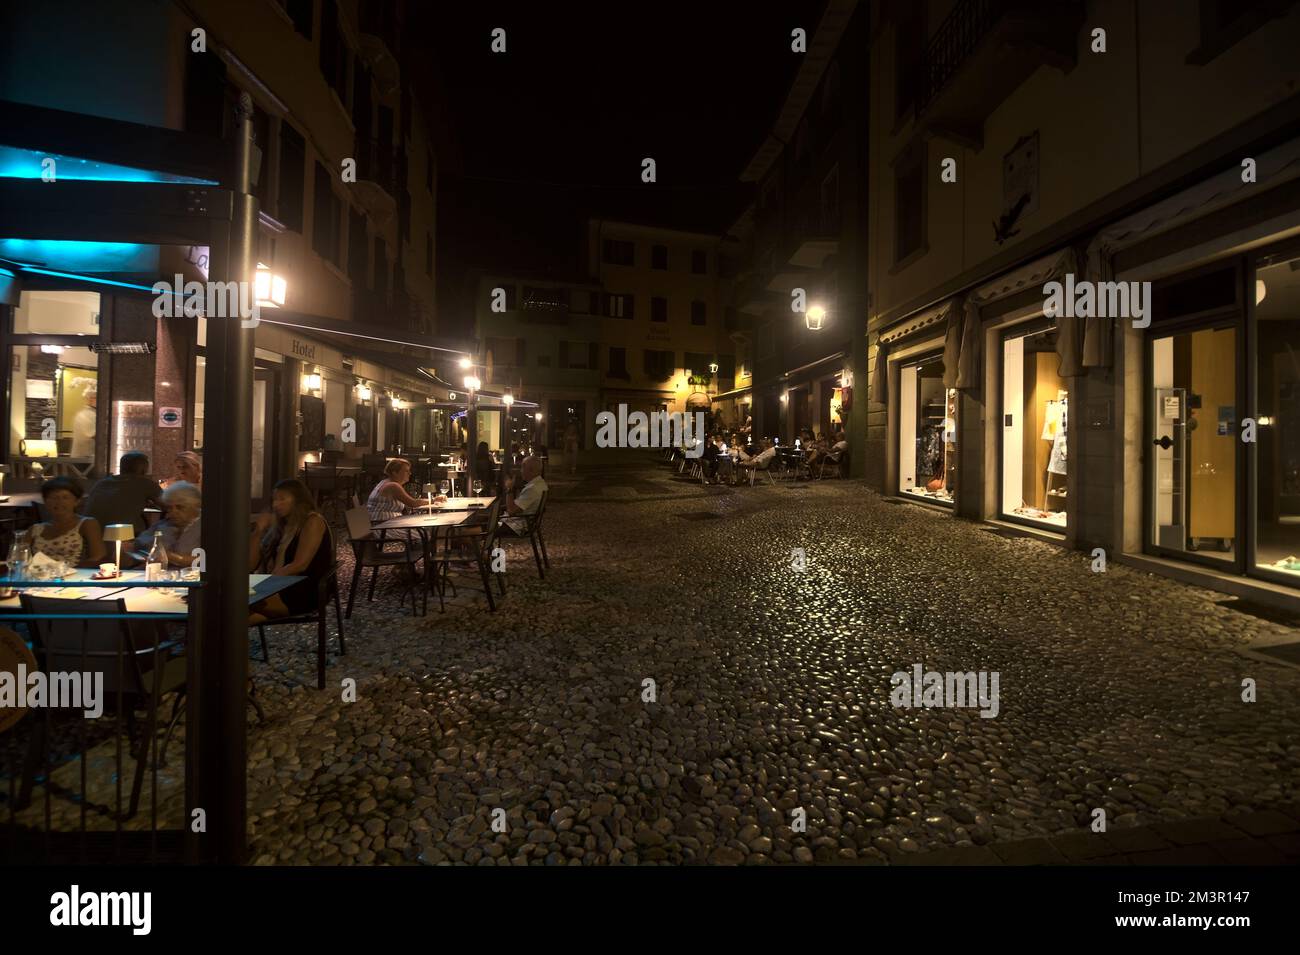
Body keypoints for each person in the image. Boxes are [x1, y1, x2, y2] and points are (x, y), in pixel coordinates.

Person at [248, 479, 331, 624]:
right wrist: (259, 530)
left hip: (300, 591)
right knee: (223, 607)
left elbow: (300, 565)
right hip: (277, 585)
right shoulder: (281, 525)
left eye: (282, 499)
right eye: (274, 500)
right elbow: (250, 565)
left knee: (232, 598)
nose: (275, 505)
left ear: (298, 500)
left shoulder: (313, 521)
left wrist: (263, 585)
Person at [24, 476, 106, 568]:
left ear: (76, 501)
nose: (59, 502)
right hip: (38, 579)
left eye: (65, 497)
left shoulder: (87, 523)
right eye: (53, 497)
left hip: (74, 577)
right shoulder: (34, 529)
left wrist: (67, 571)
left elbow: (98, 557)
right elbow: (21, 558)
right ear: (45, 502)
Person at [82, 451, 163, 536]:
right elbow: (168, 503)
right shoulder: (145, 483)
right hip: (123, 535)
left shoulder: (102, 483)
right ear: (144, 469)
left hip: (91, 534)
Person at [129, 481, 202, 567]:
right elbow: (138, 545)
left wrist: (170, 557)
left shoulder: (203, 526)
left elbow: (202, 561)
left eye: (179, 507)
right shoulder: (164, 524)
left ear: (195, 507)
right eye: (169, 508)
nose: (173, 512)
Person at [367, 457, 442, 524]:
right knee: (424, 533)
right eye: (406, 471)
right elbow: (413, 503)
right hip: (384, 526)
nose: (410, 473)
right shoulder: (393, 486)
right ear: (395, 473)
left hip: (385, 522)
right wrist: (434, 500)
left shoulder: (385, 482)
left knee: (422, 527)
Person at [501, 456, 548, 535]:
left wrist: (509, 489)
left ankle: (481, 546)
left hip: (517, 526)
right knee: (484, 521)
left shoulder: (532, 488)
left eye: (523, 468)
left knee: (483, 527)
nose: (521, 471)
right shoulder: (541, 483)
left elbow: (511, 511)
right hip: (526, 523)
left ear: (531, 471)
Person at [70, 386, 97, 459]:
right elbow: (93, 434)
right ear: (90, 399)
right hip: (84, 458)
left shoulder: (91, 413)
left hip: (86, 457)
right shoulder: (87, 414)